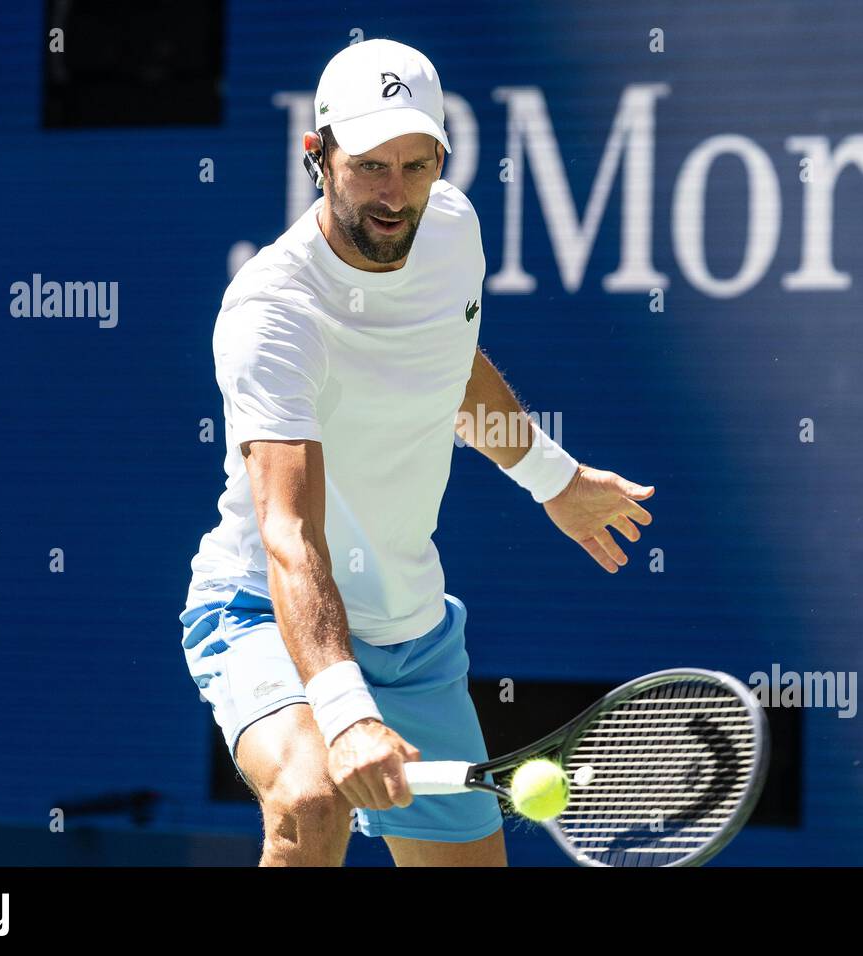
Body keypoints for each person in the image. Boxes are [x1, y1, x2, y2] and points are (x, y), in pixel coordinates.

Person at [179, 38, 654, 866]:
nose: (395, 195)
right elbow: (290, 531)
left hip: (412, 631)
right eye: (368, 166)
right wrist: (343, 705)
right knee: (313, 801)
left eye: (416, 164)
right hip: (265, 610)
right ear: (316, 155)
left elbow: (450, 366)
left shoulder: (452, 229)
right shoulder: (272, 311)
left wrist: (553, 478)